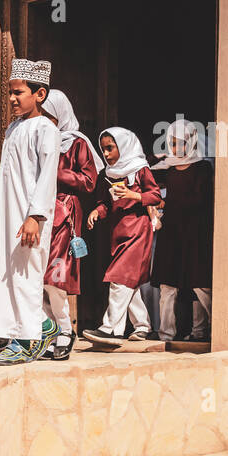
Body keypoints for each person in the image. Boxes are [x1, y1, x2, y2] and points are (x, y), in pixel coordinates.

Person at [0, 59, 60, 365]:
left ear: (39, 94)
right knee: (6, 275)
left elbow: (46, 176)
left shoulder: (45, 128)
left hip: (30, 218)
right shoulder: (13, 128)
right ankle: (37, 328)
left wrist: (36, 216)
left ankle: (29, 340)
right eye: (10, 93)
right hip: (8, 216)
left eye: (19, 92)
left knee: (26, 276)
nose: (13, 99)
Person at [82, 127, 162, 343]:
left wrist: (133, 195)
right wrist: (96, 212)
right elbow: (104, 203)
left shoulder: (140, 169)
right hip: (118, 233)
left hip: (138, 230)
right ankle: (142, 326)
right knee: (129, 282)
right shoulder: (106, 175)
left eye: (110, 148)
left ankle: (110, 329)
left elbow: (155, 195)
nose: (106, 154)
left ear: (124, 146)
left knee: (119, 278)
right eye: (103, 149)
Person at [40, 89, 101, 360]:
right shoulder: (39, 139)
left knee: (55, 275)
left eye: (49, 116)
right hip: (40, 212)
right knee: (36, 276)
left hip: (64, 213)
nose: (44, 120)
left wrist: (56, 171)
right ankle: (49, 333)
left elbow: (89, 180)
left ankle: (65, 330)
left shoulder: (77, 143)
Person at [151, 118, 213, 342]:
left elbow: (197, 200)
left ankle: (202, 331)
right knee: (168, 286)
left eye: (181, 143)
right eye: (173, 143)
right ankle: (165, 334)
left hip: (195, 234)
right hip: (172, 235)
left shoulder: (202, 168)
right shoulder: (166, 169)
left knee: (199, 285)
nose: (177, 148)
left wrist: (167, 203)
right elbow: (146, 179)